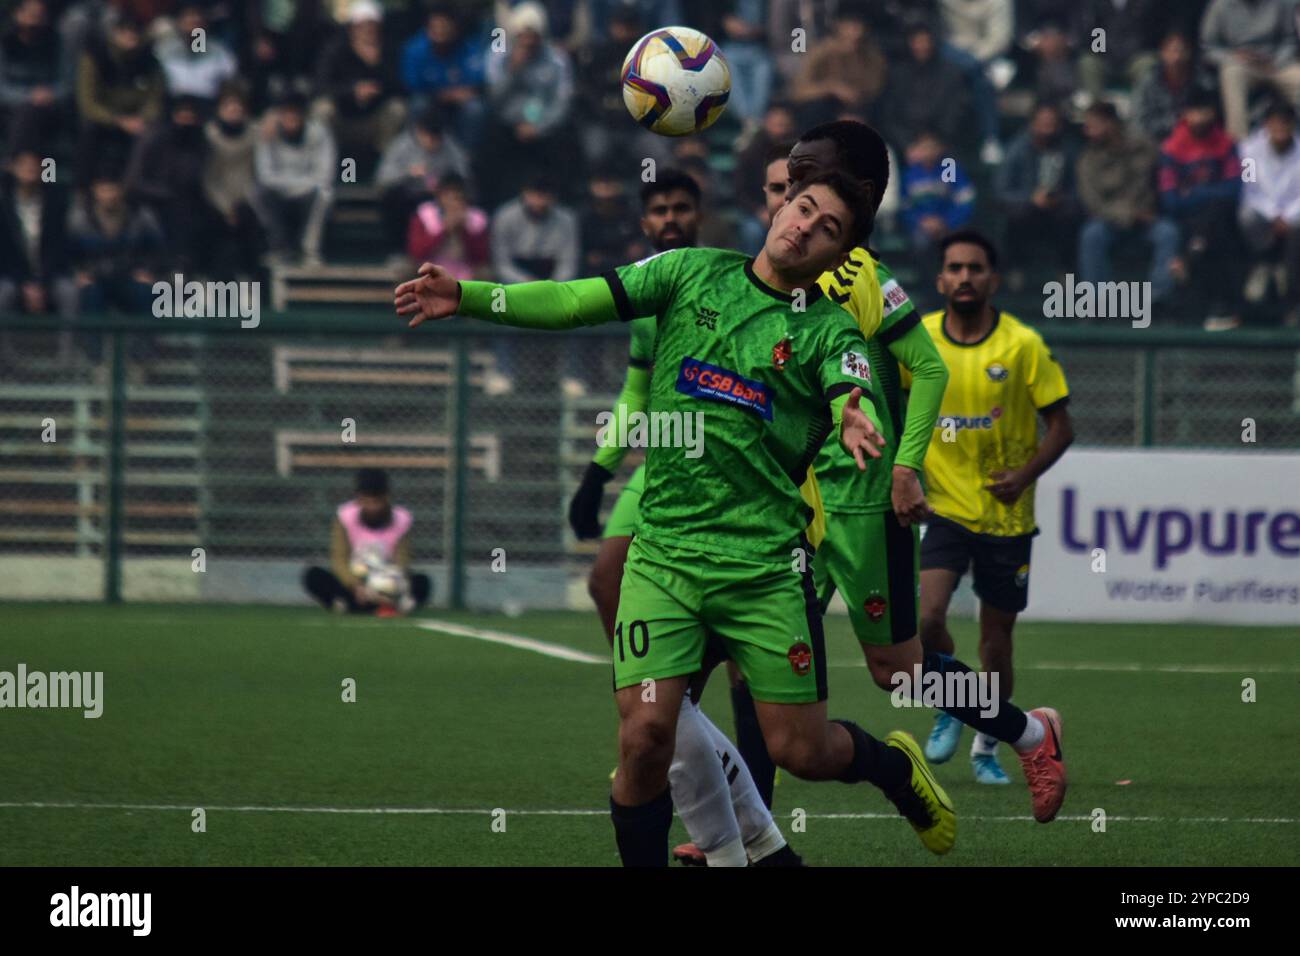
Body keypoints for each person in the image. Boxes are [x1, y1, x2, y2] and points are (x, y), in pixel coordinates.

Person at [397, 171, 957, 867]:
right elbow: (575, 299)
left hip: (764, 569)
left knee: (800, 751)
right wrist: (472, 296)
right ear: (780, 205)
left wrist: (855, 411)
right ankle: (728, 847)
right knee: (643, 740)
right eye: (803, 207)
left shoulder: (828, 329)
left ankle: (891, 769)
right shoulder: (687, 272)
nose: (806, 226)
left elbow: (855, 385)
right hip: (664, 558)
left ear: (840, 254)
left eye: (829, 228)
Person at [568, 168, 800, 868]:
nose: (669, 218)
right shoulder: (651, 287)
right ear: (646, 222)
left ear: (699, 215)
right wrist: (599, 470)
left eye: (681, 208)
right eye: (659, 209)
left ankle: (747, 829)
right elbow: (638, 393)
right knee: (607, 579)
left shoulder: (727, 279)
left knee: (741, 674)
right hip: (664, 464)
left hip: (741, 480)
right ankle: (686, 748)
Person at [908, 230, 1072, 800]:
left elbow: (1062, 426)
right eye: (954, 268)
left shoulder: (1022, 344)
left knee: (996, 644)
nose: (964, 277)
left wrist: (1023, 475)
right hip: (944, 509)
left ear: (993, 280)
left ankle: (987, 745)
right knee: (927, 620)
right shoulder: (920, 338)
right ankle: (953, 701)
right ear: (940, 280)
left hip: (1007, 519)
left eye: (975, 268)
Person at [1077, 101, 1180, 310]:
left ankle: (1157, 301)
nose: (1088, 131)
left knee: (1168, 232)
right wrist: (1130, 215)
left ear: (1111, 123)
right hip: (1111, 222)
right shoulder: (1087, 159)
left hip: (1148, 220)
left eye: (1094, 124)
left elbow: (1157, 180)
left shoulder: (1143, 147)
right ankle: (1098, 303)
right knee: (1091, 235)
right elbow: (1094, 204)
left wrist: (1145, 211)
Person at [1158, 90, 1244, 328]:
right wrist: (1207, 194)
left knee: (1216, 221)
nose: (1200, 117)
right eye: (1194, 111)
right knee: (1208, 227)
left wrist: (1195, 193)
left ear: (1213, 113)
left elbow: (1234, 190)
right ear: (1185, 114)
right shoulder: (1171, 148)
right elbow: (1170, 200)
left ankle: (1191, 260)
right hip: (1186, 219)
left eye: (1205, 111)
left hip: (1218, 219)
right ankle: (1218, 308)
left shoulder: (1227, 145)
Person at [303, 468, 432, 616]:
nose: (372, 507)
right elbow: (339, 559)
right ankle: (356, 604)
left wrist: (388, 586)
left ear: (386, 498)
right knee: (313, 575)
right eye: (367, 502)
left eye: (377, 502)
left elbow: (402, 561)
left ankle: (360, 606)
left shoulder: (402, 520)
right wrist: (356, 586)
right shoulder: (344, 517)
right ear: (359, 499)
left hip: (386, 581)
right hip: (354, 583)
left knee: (422, 582)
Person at [995, 101, 1080, 279]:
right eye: (1043, 122)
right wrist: (1030, 199)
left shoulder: (1068, 149)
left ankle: (1064, 270)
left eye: (1051, 123)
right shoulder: (1016, 149)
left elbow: (1079, 189)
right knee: (1016, 216)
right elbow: (1002, 192)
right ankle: (1015, 269)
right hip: (1027, 210)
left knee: (1070, 215)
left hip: (1058, 209)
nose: (1047, 128)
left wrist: (1060, 198)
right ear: (1032, 123)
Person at [253, 89, 336, 267]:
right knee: (259, 193)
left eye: (295, 114)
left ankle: (310, 252)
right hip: (279, 191)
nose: (290, 118)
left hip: (308, 190)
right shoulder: (268, 134)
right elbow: (265, 175)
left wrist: (299, 186)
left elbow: (325, 174)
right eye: (286, 114)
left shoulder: (319, 134)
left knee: (325, 193)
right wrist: (291, 185)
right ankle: (279, 249)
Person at [1201, 0, 1300, 140]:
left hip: (1276, 63)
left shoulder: (1281, 3)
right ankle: (1239, 144)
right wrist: (1233, 57)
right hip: (1240, 63)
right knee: (1231, 75)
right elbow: (1208, 47)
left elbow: (1289, 40)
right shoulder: (1220, 5)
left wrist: (1277, 60)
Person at [1239, 99, 1300, 325]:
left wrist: (1288, 216)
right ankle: (1262, 263)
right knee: (1246, 215)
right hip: (1262, 216)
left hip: (1293, 218)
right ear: (1266, 125)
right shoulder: (1248, 150)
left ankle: (1290, 288)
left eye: (1286, 123)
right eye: (1276, 123)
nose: (1281, 128)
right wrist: (1274, 214)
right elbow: (1249, 190)